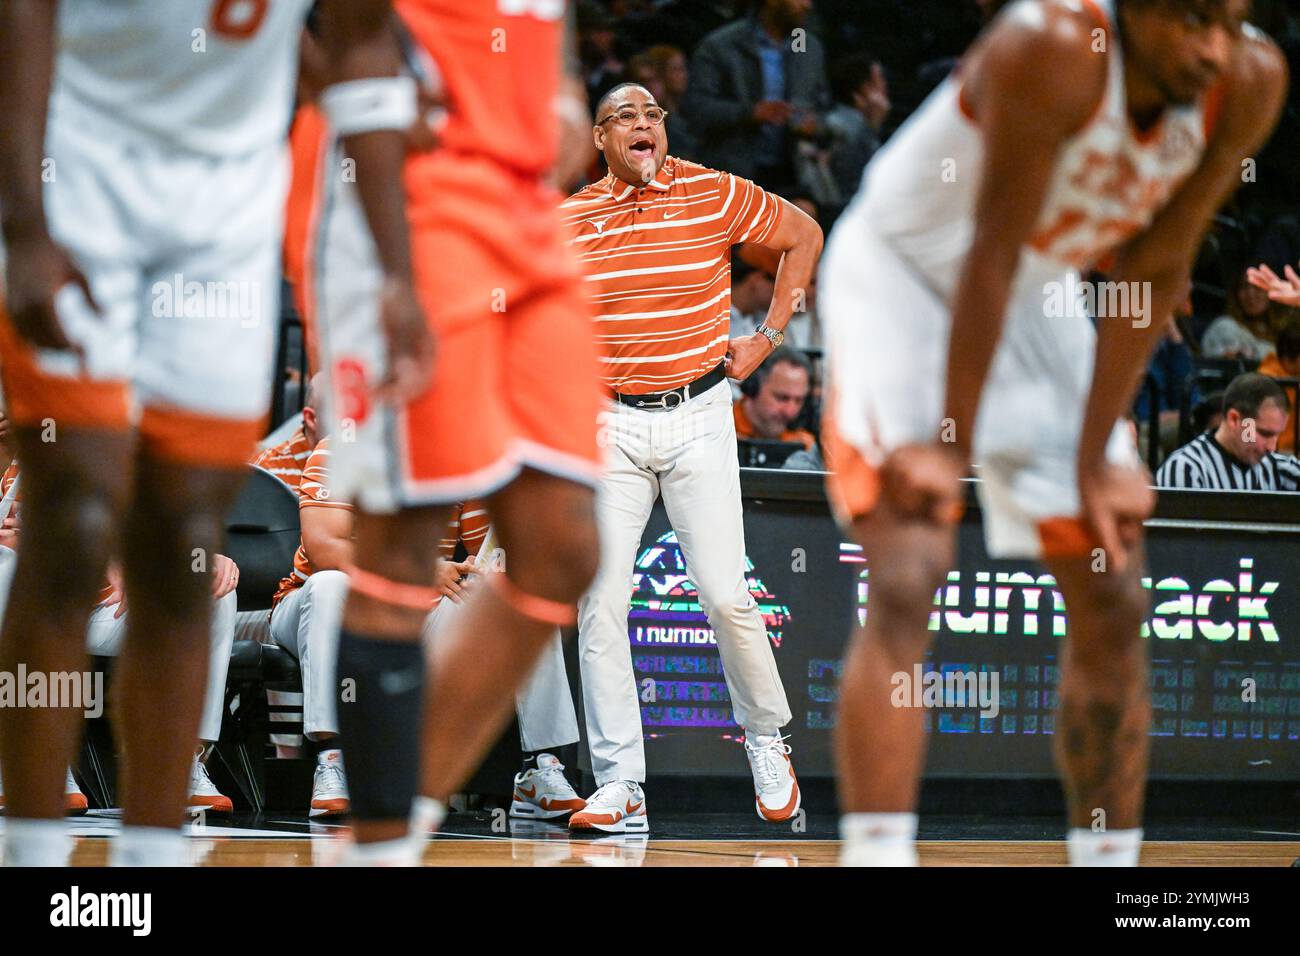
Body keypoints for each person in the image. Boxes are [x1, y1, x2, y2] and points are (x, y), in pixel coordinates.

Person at [819, 0, 1285, 866]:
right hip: (906, 278)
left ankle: (1108, 865)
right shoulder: (1054, 46)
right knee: (909, 569)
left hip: (1036, 292)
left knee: (1114, 589)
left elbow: (1156, 264)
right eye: (1193, 21)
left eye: (1231, 21)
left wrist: (1091, 459)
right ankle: (875, 855)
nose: (1214, 48)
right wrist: (949, 444)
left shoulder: (1249, 81)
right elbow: (985, 248)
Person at [0, 0, 324, 867]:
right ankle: (32, 846)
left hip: (223, 227)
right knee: (66, 532)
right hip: (85, 185)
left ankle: (151, 854)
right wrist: (22, 219)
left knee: (188, 552)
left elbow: (355, 41)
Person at [312, 0, 603, 864]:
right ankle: (382, 843)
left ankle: (404, 814)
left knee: (562, 548)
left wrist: (565, 99)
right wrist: (394, 278)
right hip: (410, 206)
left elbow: (553, 42)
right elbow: (348, 41)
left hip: (526, 214)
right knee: (399, 547)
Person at [560, 81, 823, 831]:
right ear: (600, 140)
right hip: (611, 421)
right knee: (601, 604)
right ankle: (621, 783)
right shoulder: (570, 221)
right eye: (625, 117)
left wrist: (769, 337)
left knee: (725, 594)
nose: (643, 125)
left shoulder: (712, 192)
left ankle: (767, 741)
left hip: (702, 413)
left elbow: (804, 234)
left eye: (653, 115)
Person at [687, 0, 832, 194]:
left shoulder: (806, 45)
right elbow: (696, 109)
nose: (808, 5)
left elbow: (824, 108)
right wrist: (749, 113)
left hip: (793, 171)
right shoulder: (721, 45)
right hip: (732, 174)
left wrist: (815, 124)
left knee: (806, 213)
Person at [1155, 372, 1299, 490]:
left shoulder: (1279, 470)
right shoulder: (1186, 470)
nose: (1272, 447)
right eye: (1264, 433)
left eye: (1277, 435)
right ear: (1234, 419)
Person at [735, 348, 817, 450]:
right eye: (782, 398)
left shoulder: (804, 444)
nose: (790, 411)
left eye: (799, 401)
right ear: (752, 387)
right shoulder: (718, 428)